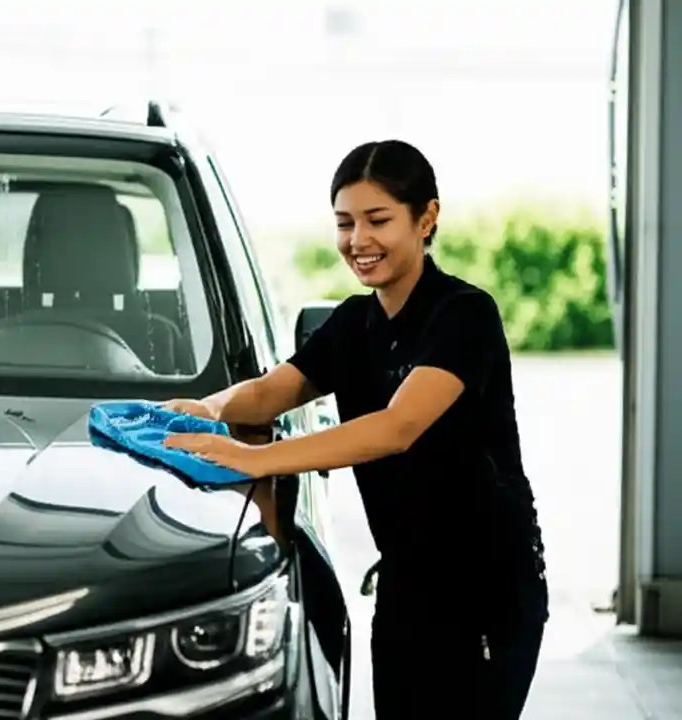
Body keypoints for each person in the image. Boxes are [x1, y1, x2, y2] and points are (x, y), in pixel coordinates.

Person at [162, 139, 548, 719]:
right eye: (344, 223)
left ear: (427, 218)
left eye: (378, 220)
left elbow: (398, 427)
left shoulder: (464, 315)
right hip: (406, 584)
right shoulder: (353, 324)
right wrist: (207, 408)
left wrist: (254, 458)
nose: (358, 241)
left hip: (487, 586)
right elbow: (272, 390)